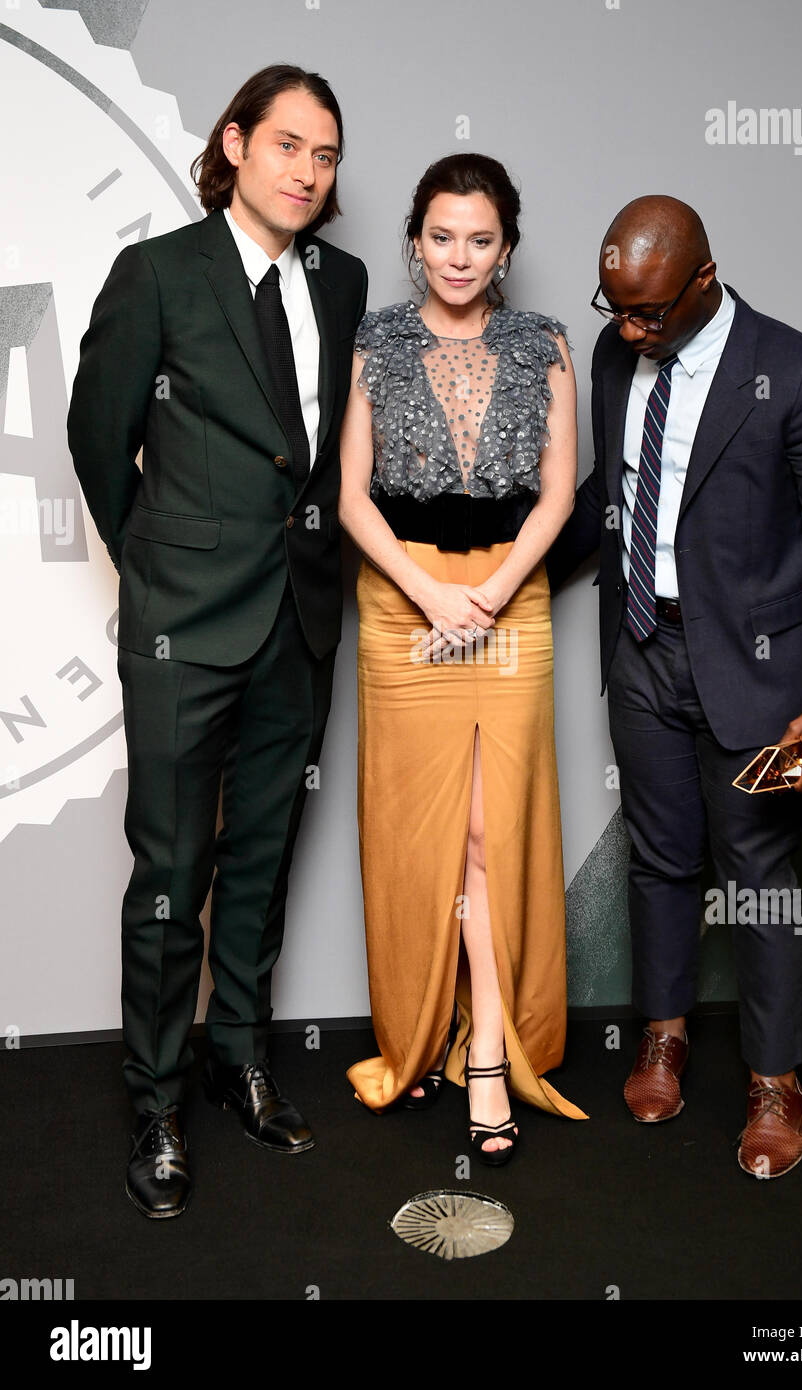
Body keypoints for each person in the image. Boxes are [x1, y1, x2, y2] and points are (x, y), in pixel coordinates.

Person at [67, 65, 368, 1217]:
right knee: (172, 869)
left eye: (326, 154)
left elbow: (323, 446)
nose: (307, 170)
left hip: (299, 616)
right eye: (287, 144)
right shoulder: (158, 273)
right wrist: (156, 567)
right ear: (235, 145)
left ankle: (236, 1056)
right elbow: (101, 439)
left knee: (260, 858)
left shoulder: (340, 282)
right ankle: (155, 1103)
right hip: (185, 625)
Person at [546, 195, 802, 1178]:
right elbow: (609, 495)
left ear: (701, 280)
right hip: (640, 648)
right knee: (659, 860)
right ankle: (664, 1034)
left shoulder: (798, 370)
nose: (631, 331)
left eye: (648, 312)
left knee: (762, 885)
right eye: (615, 311)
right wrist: (501, 563)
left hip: (758, 671)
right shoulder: (617, 355)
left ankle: (775, 1080)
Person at [338, 153, 587, 1164]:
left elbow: (560, 493)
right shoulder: (376, 340)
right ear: (414, 240)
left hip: (510, 605)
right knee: (426, 835)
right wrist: (432, 593)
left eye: (479, 239)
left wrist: (484, 595)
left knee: (490, 835)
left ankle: (487, 1050)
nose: (458, 256)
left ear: (506, 249)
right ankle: (438, 1038)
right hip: (404, 608)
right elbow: (351, 496)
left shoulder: (545, 344)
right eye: (441, 235)